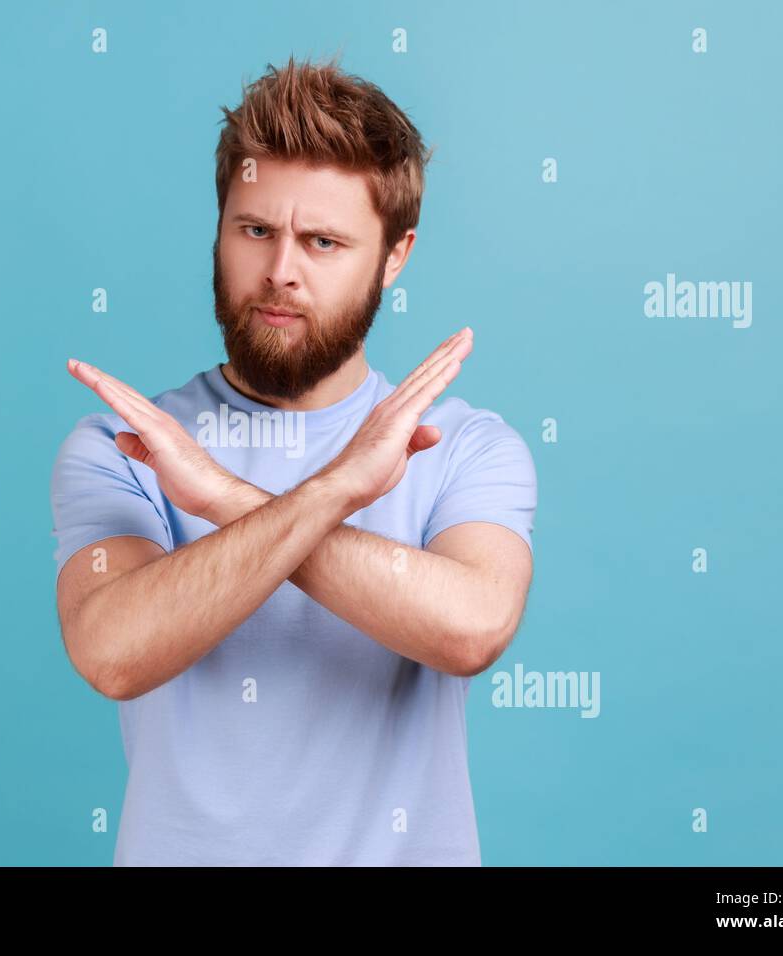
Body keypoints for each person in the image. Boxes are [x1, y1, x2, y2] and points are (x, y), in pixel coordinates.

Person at [50, 55, 537, 865]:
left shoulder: (464, 445)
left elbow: (471, 628)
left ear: (394, 255)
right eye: (255, 230)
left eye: (323, 242)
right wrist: (340, 487)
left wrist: (222, 500)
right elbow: (111, 651)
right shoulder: (126, 447)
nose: (281, 271)